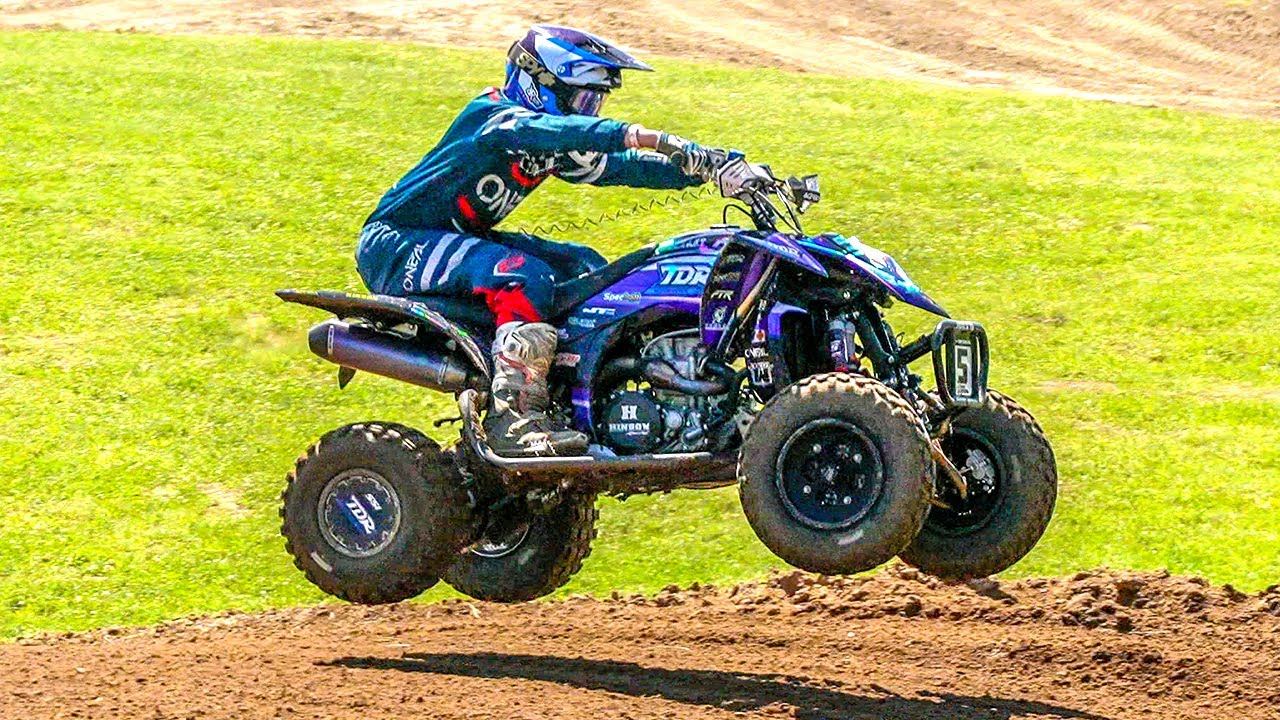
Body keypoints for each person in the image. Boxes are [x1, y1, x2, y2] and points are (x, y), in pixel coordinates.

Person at [355, 25, 728, 457]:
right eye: (584, 99)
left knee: (588, 270)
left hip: (446, 239)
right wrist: (642, 134)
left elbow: (625, 167)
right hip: (396, 245)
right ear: (540, 84)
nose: (588, 112)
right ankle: (512, 417)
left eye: (596, 102)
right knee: (523, 276)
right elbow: (552, 132)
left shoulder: (545, 140)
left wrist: (716, 167)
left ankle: (574, 397)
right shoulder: (495, 117)